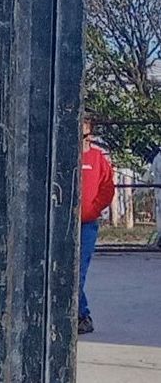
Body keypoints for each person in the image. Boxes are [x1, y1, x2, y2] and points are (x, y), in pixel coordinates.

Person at [79, 116, 115, 334]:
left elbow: (107, 188)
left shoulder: (97, 158)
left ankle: (82, 314)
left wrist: (93, 209)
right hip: (66, 224)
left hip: (87, 224)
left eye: (84, 133)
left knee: (79, 271)